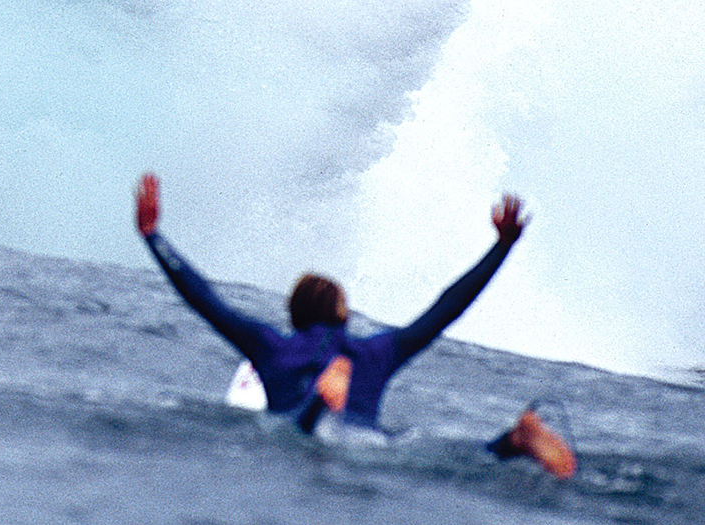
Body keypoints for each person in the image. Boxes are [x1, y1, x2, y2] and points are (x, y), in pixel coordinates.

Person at [133, 172, 576, 478]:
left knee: (304, 431)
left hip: (307, 429)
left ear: (295, 316)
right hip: (367, 441)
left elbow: (205, 300)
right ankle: (515, 440)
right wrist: (500, 248)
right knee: (457, 459)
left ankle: (321, 403)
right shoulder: (375, 353)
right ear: (343, 313)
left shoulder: (271, 347)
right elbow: (447, 308)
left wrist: (154, 237)